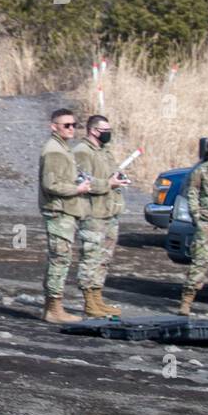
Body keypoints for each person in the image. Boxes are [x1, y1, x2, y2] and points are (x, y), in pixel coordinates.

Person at [72, 115, 130, 317]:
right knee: (91, 257)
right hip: (92, 213)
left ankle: (97, 298)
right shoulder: (82, 152)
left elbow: (111, 174)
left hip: (110, 211)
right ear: (93, 130)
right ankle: (89, 302)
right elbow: (83, 181)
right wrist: (108, 184)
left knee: (104, 259)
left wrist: (118, 179)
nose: (108, 133)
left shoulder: (105, 152)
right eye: (105, 129)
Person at [38, 109, 92, 323]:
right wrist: (76, 190)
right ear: (54, 126)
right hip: (58, 210)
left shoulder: (62, 149)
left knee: (62, 258)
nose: (71, 129)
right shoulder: (54, 150)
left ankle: (54, 306)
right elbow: (51, 184)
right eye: (66, 125)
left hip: (65, 210)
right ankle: (53, 308)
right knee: (59, 259)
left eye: (74, 125)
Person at [179, 136, 208, 315]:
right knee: (200, 261)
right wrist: (196, 216)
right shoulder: (203, 170)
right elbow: (192, 193)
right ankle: (187, 301)